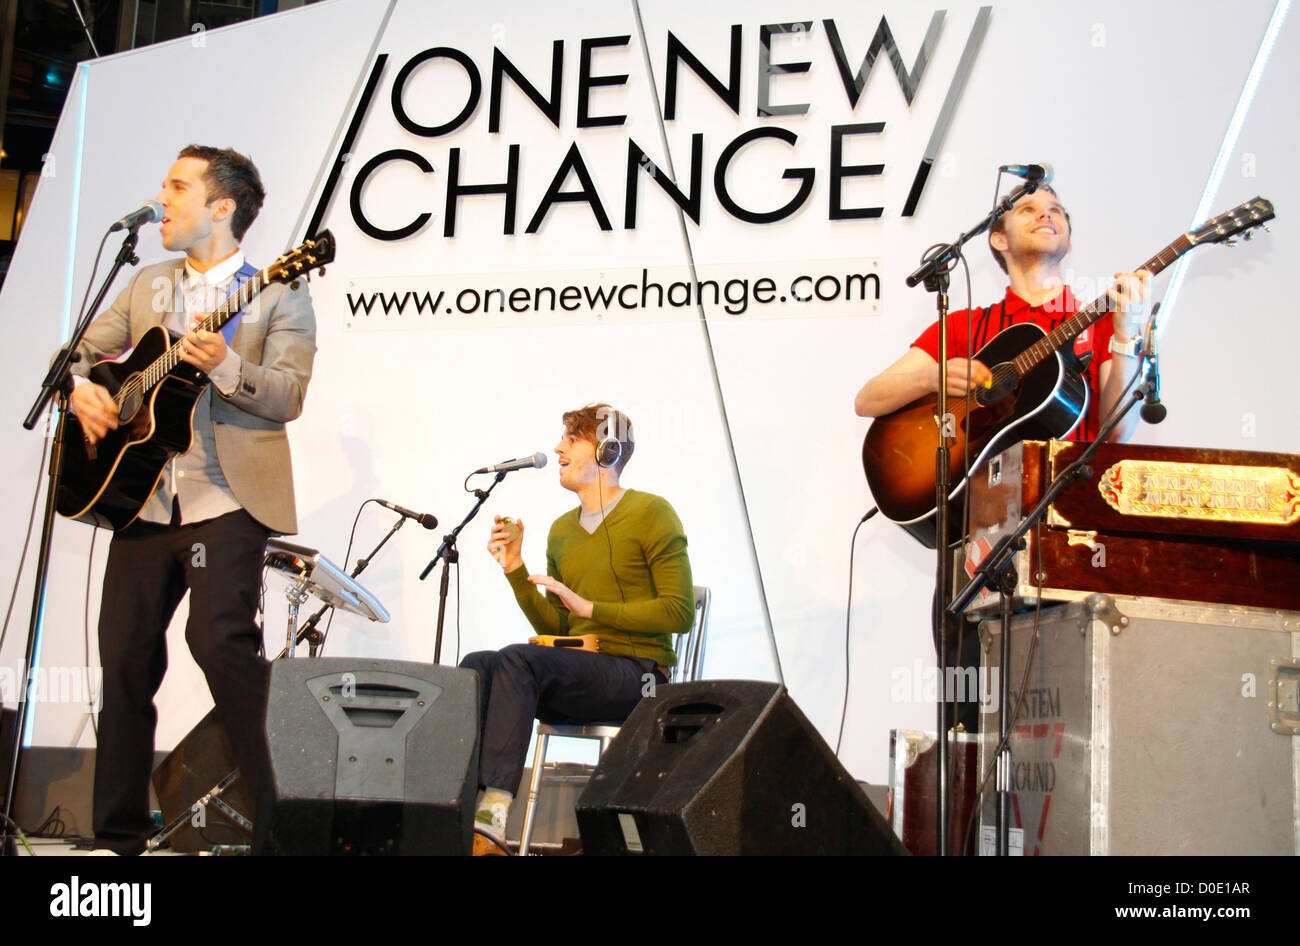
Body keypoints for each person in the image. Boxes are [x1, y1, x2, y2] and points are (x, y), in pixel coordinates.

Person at [67, 145, 316, 854]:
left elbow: (289, 394)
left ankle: (284, 825)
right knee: (124, 660)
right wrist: (82, 386)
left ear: (222, 207)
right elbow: (82, 351)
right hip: (145, 501)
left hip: (228, 499)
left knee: (218, 641)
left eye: (177, 186)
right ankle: (117, 837)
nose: (162, 198)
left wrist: (229, 366)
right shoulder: (146, 285)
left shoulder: (280, 292)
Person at [460, 404, 694, 855]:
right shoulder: (561, 531)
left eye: (572, 439)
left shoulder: (652, 512)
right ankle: (465, 815)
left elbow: (679, 611)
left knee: (515, 659)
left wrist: (593, 606)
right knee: (479, 666)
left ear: (606, 450)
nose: (558, 448)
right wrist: (515, 569)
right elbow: (558, 629)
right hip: (582, 674)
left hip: (639, 676)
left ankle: (491, 819)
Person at [854, 185, 1150, 445]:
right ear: (999, 240)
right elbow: (867, 399)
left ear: (1069, 241)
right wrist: (933, 379)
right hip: (979, 502)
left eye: (1055, 211)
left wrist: (1125, 335)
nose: (1045, 216)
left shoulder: (1104, 324)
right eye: (1027, 209)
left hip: (1070, 498)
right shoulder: (962, 326)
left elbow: (1118, 432)